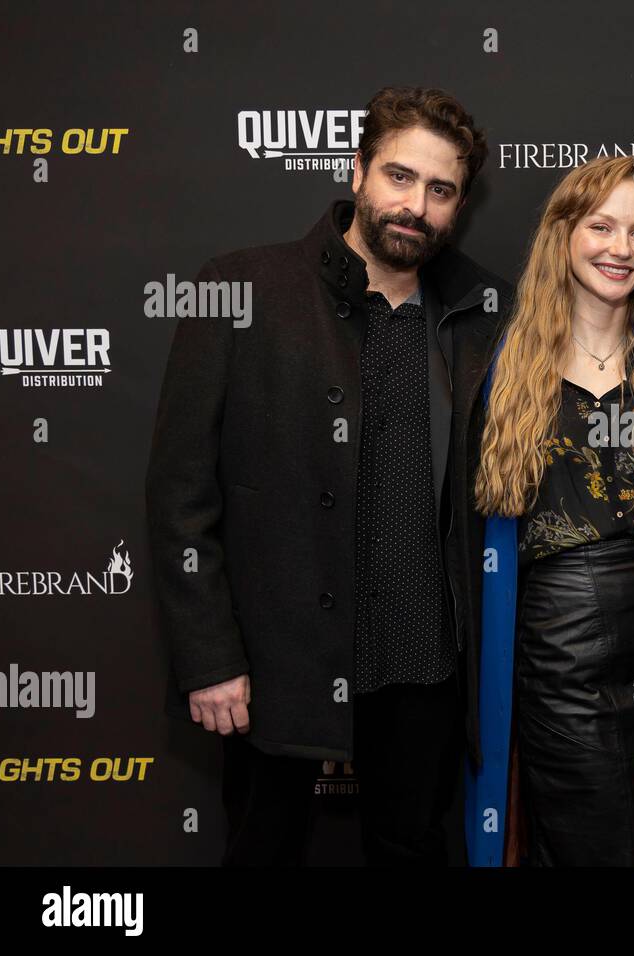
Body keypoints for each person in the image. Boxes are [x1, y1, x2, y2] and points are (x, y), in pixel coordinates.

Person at [145, 86, 513, 865]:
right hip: (281, 659)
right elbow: (181, 497)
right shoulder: (242, 289)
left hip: (422, 661)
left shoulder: (485, 314)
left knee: (411, 849)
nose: (415, 205)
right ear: (357, 172)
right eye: (400, 177)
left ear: (460, 205)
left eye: (441, 190)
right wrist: (211, 659)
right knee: (263, 849)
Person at [464, 155, 634, 866]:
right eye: (602, 226)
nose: (621, 248)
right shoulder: (501, 370)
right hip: (554, 667)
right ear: (563, 234)